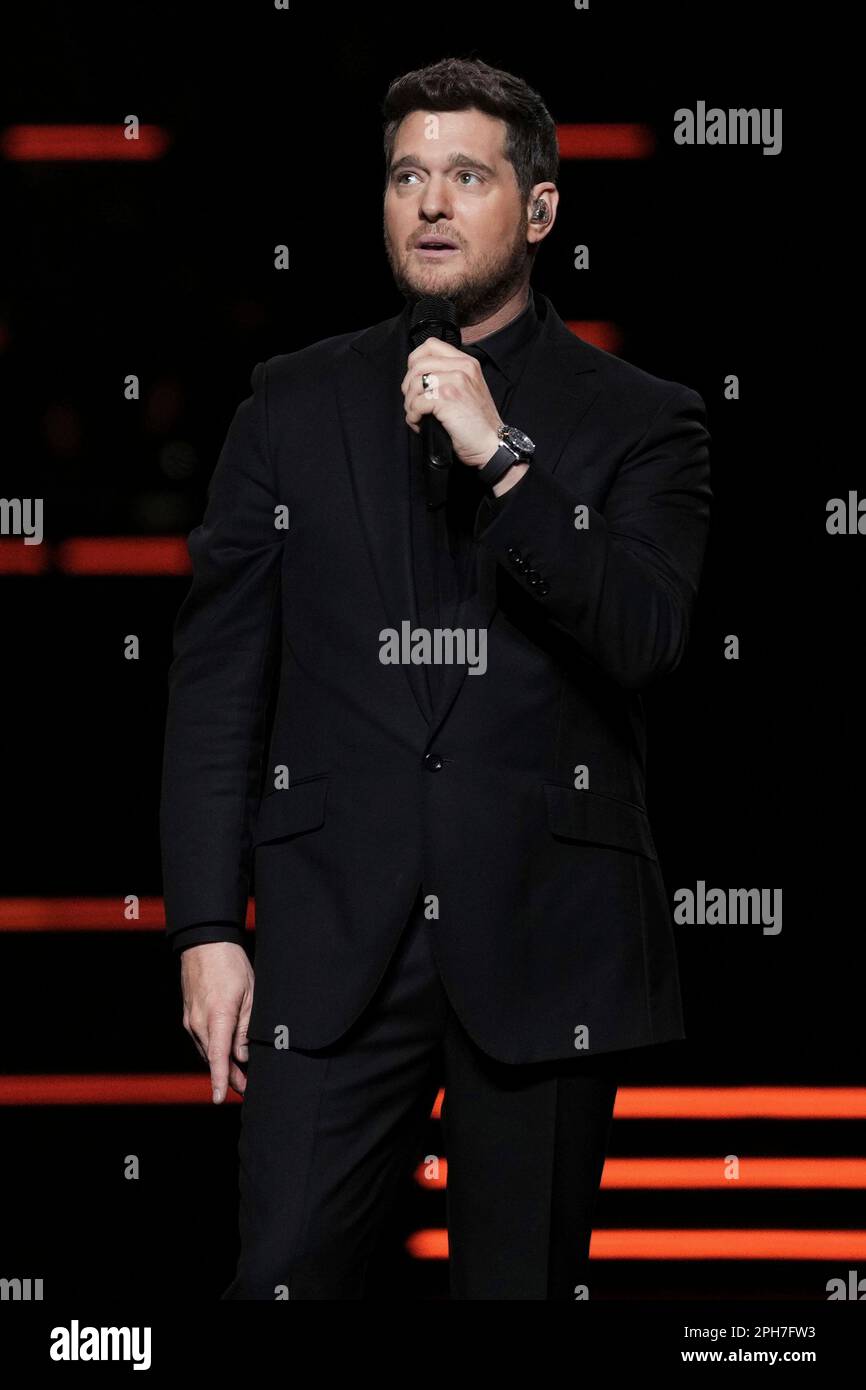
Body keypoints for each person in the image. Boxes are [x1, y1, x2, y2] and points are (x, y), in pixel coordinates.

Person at [159, 55, 712, 1300]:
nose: (431, 204)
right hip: (326, 935)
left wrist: (504, 461)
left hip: (543, 933)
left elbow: (645, 635)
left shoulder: (640, 418)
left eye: (467, 175)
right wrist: (203, 925)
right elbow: (216, 687)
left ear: (542, 207)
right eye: (409, 174)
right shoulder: (288, 406)